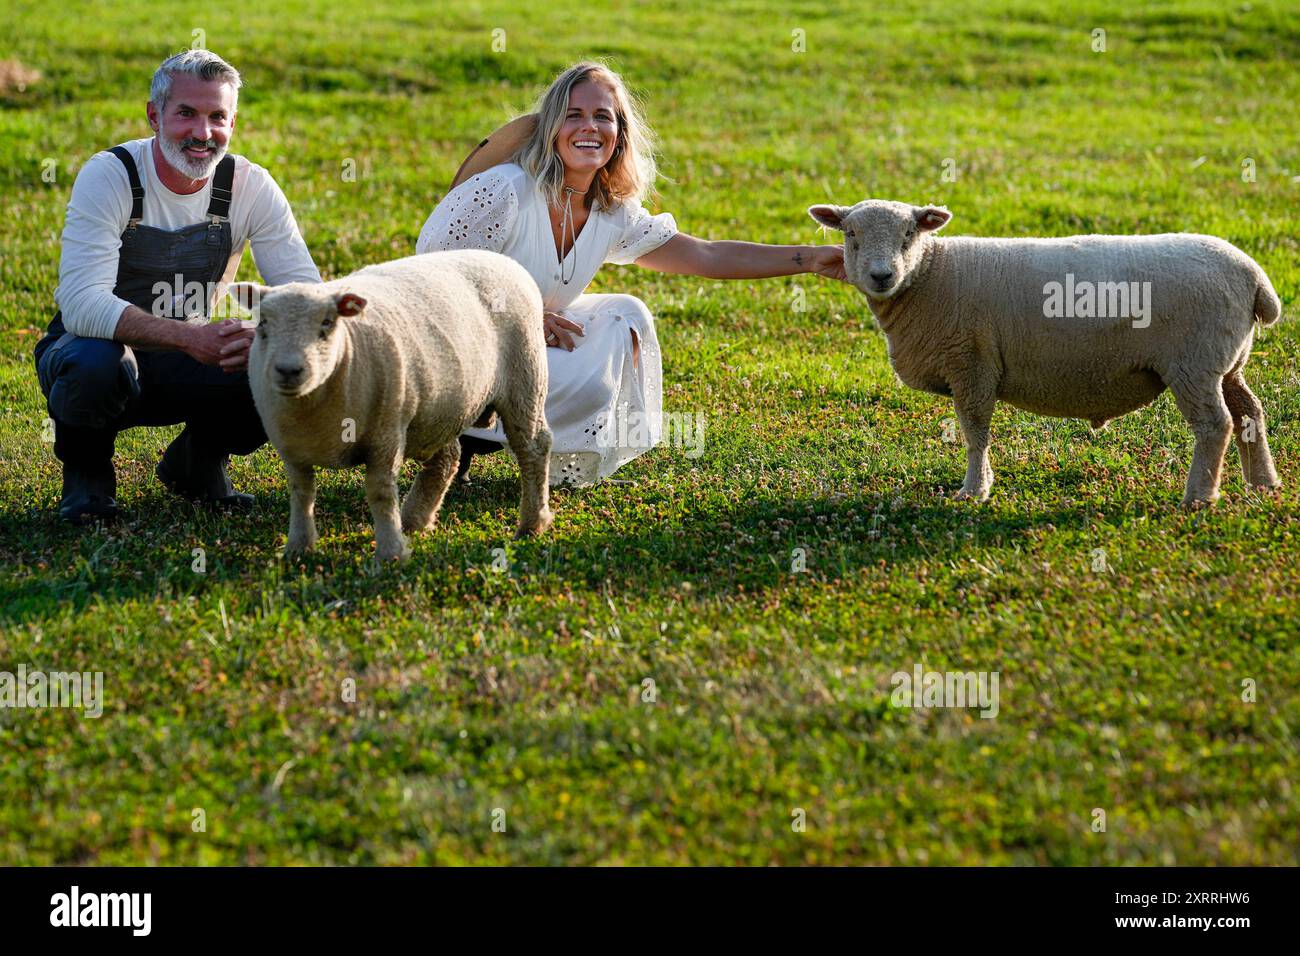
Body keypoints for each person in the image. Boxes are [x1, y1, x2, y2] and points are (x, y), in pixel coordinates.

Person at [417, 61, 846, 487]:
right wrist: (522, 319)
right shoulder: (506, 188)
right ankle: (459, 435)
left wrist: (808, 259)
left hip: (521, 353)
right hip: (456, 352)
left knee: (625, 316)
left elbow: (706, 256)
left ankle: (549, 457)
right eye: (573, 115)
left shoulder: (609, 211)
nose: (589, 127)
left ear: (620, 135)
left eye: (603, 116)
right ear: (550, 129)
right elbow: (434, 275)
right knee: (555, 357)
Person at [35, 49, 321, 523]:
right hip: (99, 354)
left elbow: (305, 296)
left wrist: (263, 339)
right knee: (94, 362)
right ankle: (87, 479)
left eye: (217, 117)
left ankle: (197, 463)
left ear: (233, 122)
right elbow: (82, 304)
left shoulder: (251, 185)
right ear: (154, 115)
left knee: (280, 362)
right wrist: (189, 337)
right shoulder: (111, 174)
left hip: (191, 358)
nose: (202, 133)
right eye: (186, 113)